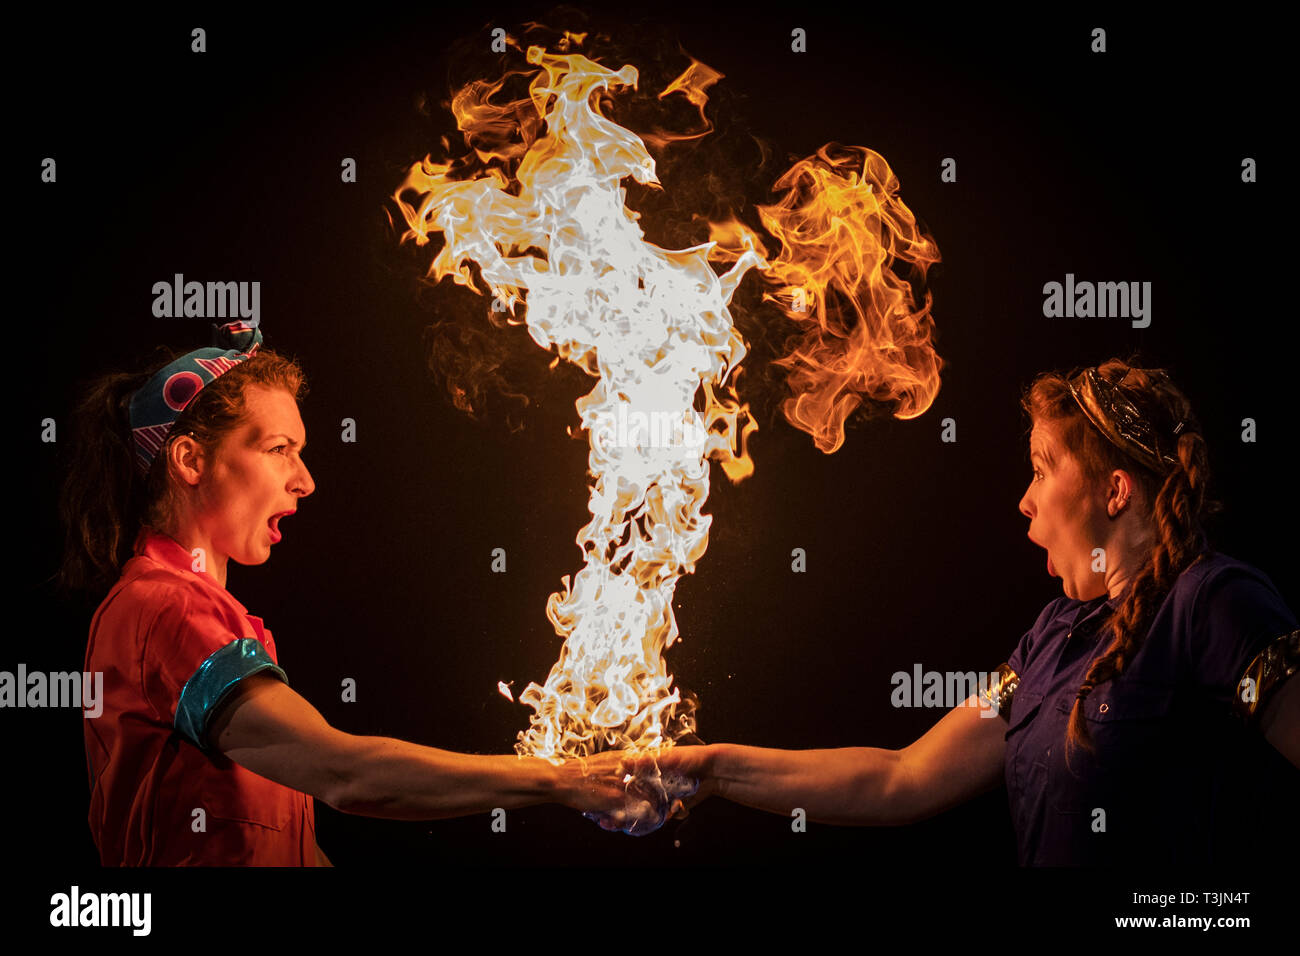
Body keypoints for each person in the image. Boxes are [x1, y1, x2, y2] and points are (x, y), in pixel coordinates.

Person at [634, 358, 1299, 865]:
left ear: (1115, 491)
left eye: (1041, 469)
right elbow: (903, 777)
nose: (1024, 500)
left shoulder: (1213, 603)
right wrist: (714, 769)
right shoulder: (1053, 639)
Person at [60, 321, 627, 866]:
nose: (305, 480)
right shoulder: (167, 606)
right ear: (190, 459)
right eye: (280, 448)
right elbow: (344, 774)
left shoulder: (201, 614)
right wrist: (565, 779)